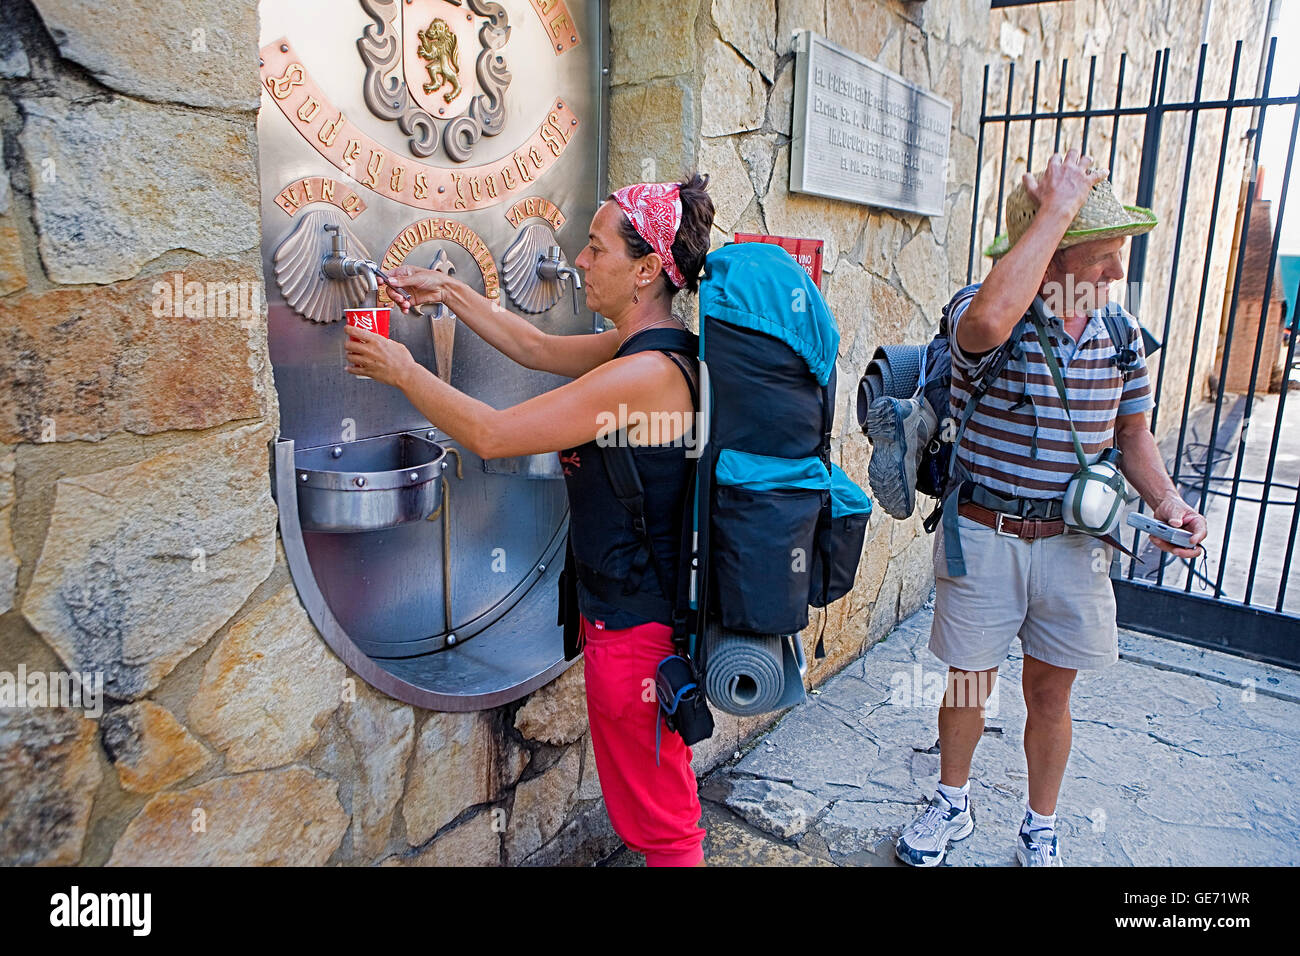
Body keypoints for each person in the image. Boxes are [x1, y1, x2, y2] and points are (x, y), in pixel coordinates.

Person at [344, 175, 715, 867]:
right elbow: (537, 349)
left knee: (665, 830)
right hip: (631, 622)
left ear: (644, 271)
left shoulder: (646, 376)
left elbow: (490, 434)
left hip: (639, 635)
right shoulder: (651, 349)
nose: (579, 258)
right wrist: (448, 291)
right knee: (656, 812)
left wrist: (401, 371)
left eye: (596, 248)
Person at [894, 150, 1209, 867]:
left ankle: (1041, 822)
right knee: (970, 681)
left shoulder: (1122, 335)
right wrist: (1057, 211)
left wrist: (1168, 501)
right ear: (1056, 251)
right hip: (986, 532)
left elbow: (1133, 434)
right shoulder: (984, 310)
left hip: (1073, 544)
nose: (1117, 275)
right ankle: (952, 801)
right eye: (1102, 258)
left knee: (1049, 692)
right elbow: (986, 325)